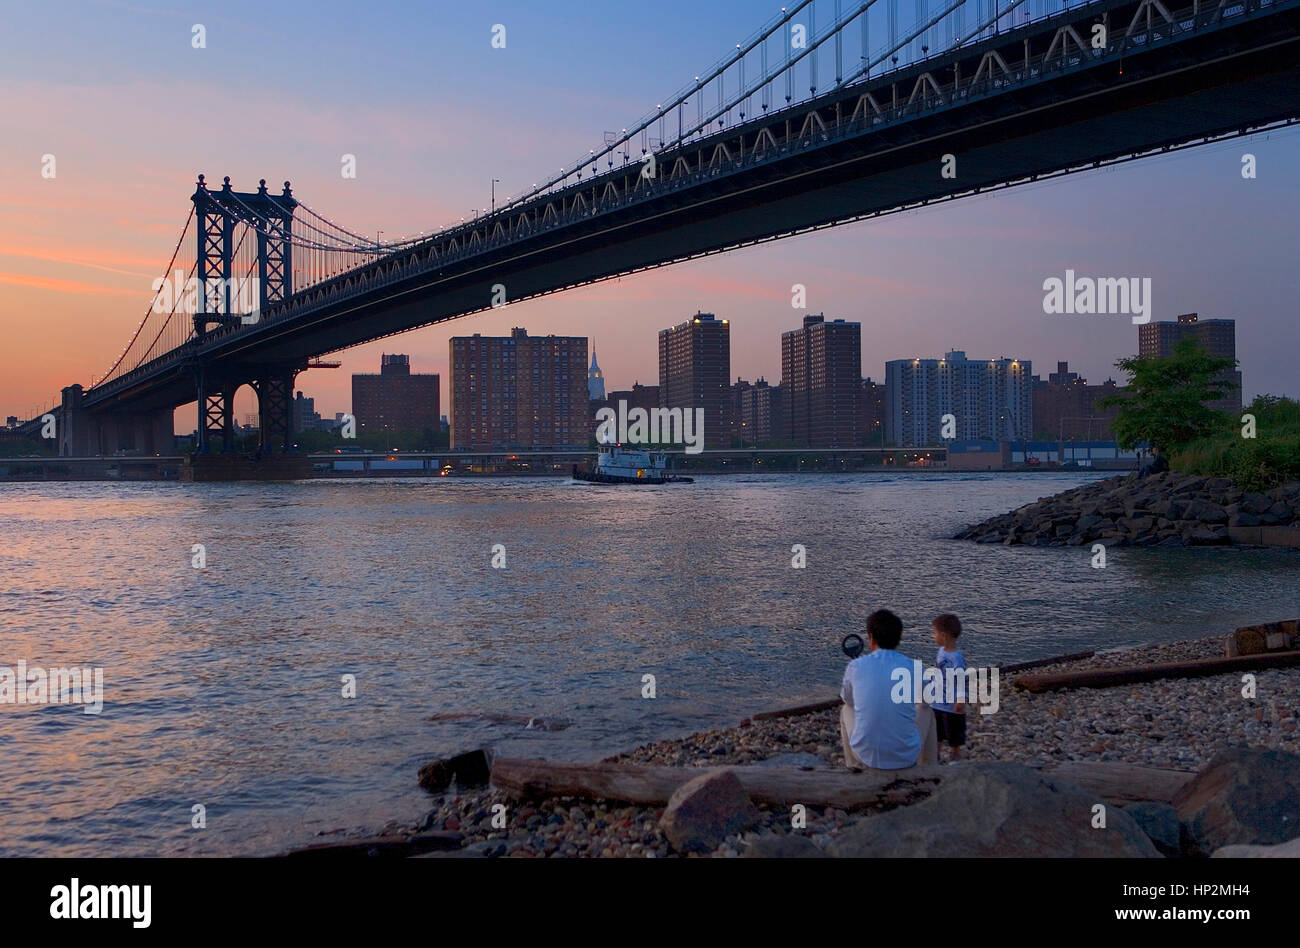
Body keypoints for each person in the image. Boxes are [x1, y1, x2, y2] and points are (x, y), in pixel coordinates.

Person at [839, 609, 938, 771]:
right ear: (898, 639)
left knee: (845, 709)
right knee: (927, 711)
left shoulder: (855, 666)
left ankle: (854, 767)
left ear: (870, 638)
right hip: (906, 757)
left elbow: (848, 701)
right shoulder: (914, 667)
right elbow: (927, 702)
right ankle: (930, 769)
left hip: (865, 755)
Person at [930, 613, 968, 762]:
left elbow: (960, 678)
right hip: (938, 700)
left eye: (935, 633)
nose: (933, 636)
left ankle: (955, 753)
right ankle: (936, 753)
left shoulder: (956, 658)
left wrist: (960, 698)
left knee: (954, 730)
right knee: (937, 730)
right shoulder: (941, 652)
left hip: (951, 703)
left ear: (944, 636)